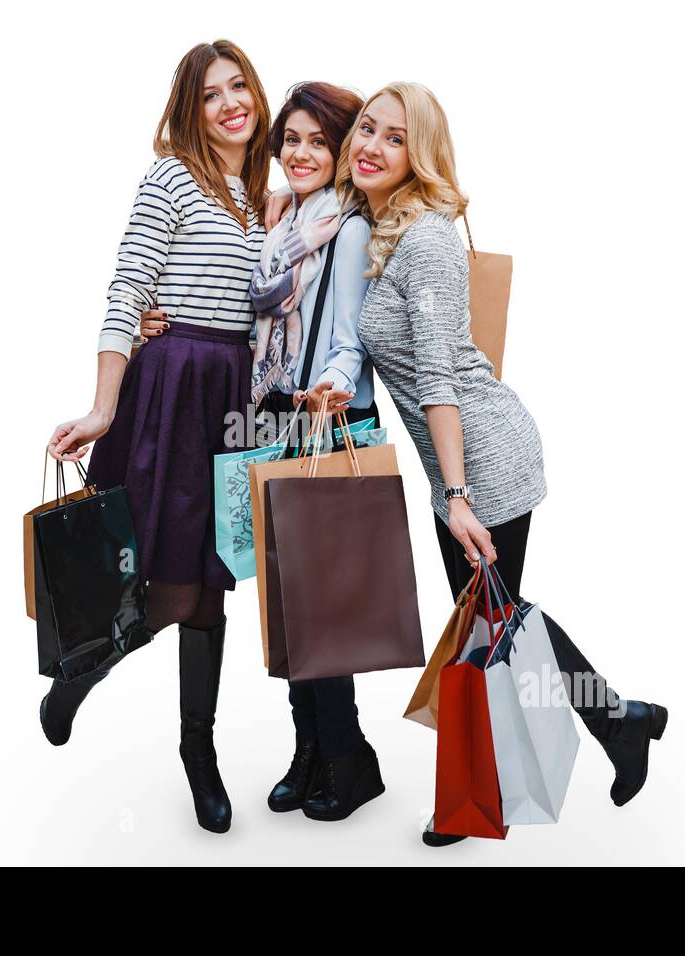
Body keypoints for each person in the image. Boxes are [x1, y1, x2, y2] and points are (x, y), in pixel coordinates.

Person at [302, 81, 669, 847]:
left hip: (485, 458)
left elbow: (437, 377)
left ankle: (504, 784)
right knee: (494, 619)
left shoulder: (429, 239)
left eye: (395, 138)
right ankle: (614, 721)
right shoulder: (377, 225)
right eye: (367, 129)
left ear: (421, 154)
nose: (371, 145)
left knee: (493, 623)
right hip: (456, 464)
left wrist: (460, 495)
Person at [45, 40, 271, 834]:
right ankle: (81, 669)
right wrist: (104, 405)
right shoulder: (170, 177)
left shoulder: (262, 197)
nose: (229, 103)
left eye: (239, 86)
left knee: (210, 583)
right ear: (190, 108)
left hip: (230, 403)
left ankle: (198, 752)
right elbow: (127, 288)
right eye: (211, 94)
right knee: (165, 585)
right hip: (171, 393)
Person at [145, 82, 386, 822]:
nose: (302, 153)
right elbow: (237, 306)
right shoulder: (281, 222)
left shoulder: (344, 229)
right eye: (292, 140)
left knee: (325, 609)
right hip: (275, 419)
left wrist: (328, 392)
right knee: (291, 604)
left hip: (327, 418)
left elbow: (350, 339)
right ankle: (307, 748)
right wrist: (164, 317)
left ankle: (346, 762)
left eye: (319, 141)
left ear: (342, 150)